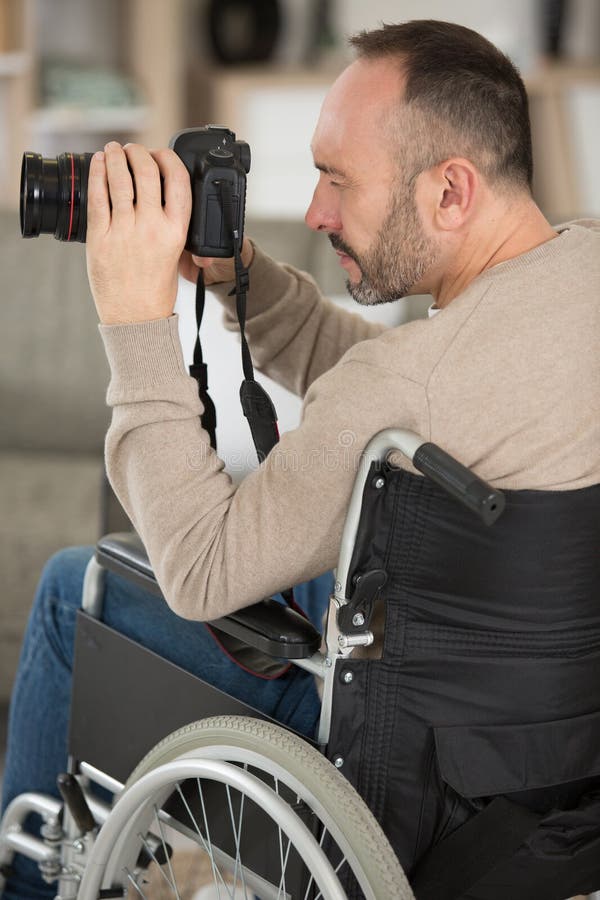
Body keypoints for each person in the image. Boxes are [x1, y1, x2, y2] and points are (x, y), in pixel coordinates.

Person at [2, 18, 599, 900]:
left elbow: (203, 571)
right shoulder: (577, 270)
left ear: (451, 191)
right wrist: (238, 272)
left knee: (68, 588)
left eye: (336, 179)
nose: (316, 212)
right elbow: (400, 385)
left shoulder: (408, 382)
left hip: (394, 772)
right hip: (537, 754)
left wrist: (135, 322)